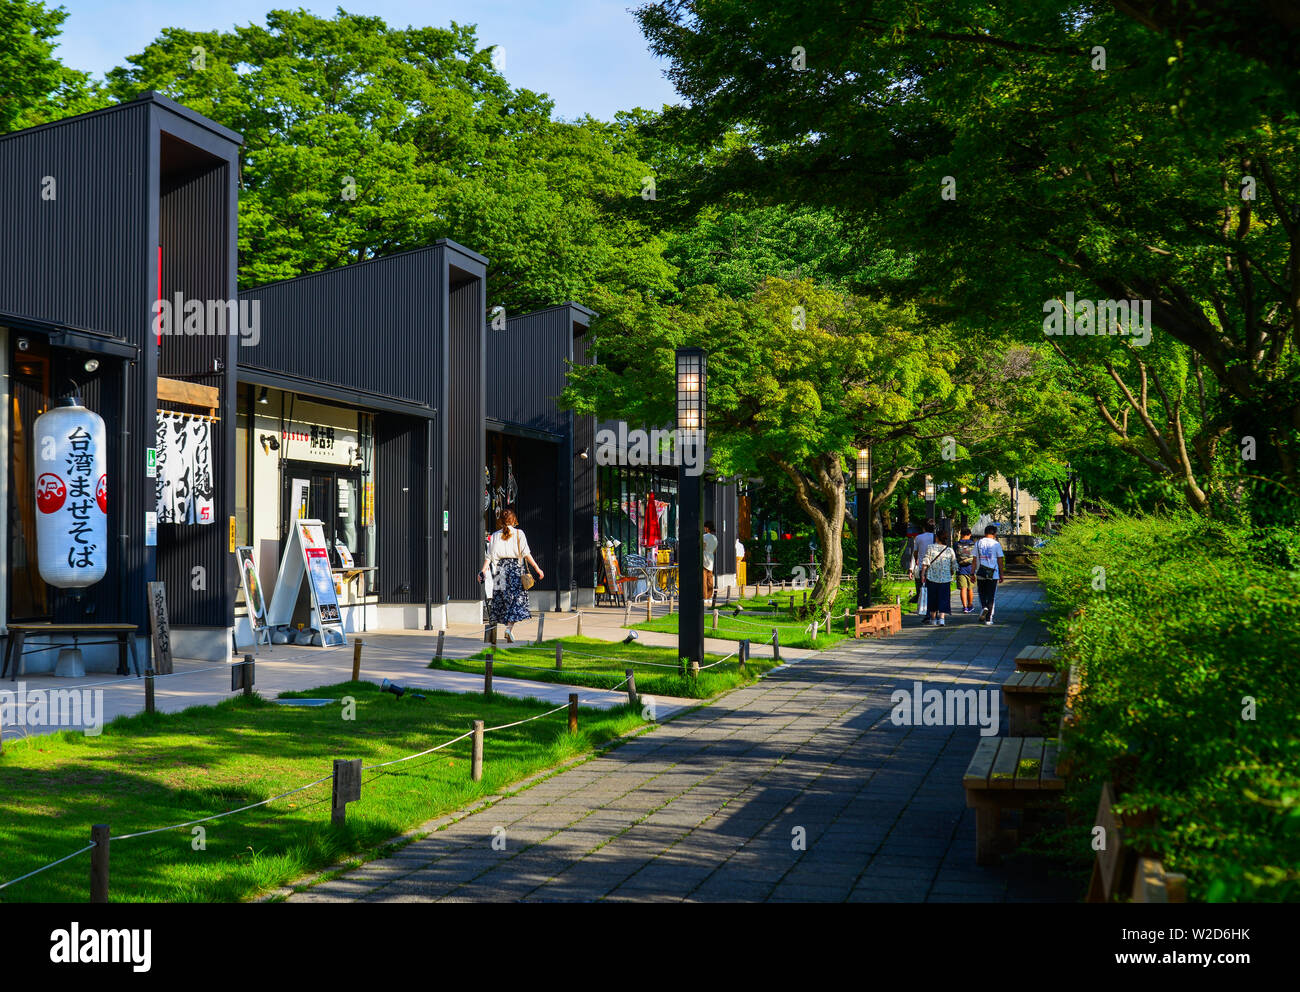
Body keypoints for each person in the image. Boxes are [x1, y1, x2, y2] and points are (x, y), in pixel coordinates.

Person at [478, 509, 543, 642]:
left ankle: (493, 634)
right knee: (515, 601)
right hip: (514, 570)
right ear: (514, 520)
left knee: (500, 601)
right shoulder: (519, 534)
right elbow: (526, 554)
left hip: (499, 571)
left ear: (500, 521)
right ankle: (508, 629)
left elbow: (489, 557)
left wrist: (483, 571)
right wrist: (537, 568)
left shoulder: (495, 535)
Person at [919, 527, 958, 626]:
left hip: (932, 577)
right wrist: (951, 573)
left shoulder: (930, 548)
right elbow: (954, 565)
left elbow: (925, 562)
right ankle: (942, 619)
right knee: (944, 598)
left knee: (933, 598)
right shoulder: (949, 550)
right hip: (945, 578)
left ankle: (933, 619)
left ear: (937, 538)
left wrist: (923, 574)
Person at [975, 524, 1006, 626]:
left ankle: (984, 606)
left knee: (982, 593)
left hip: (981, 572)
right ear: (994, 534)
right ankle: (988, 619)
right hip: (993, 573)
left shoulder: (978, 543)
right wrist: (1002, 574)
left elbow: (974, 559)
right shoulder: (996, 544)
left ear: (985, 533)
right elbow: (1000, 560)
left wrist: (971, 573)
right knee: (991, 596)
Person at [907, 520, 936, 612]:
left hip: (922, 567)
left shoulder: (918, 538)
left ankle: (923, 608)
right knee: (933, 589)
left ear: (924, 528)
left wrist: (916, 560)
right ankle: (933, 609)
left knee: (921, 589)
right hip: (934, 566)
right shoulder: (936, 537)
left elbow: (915, 552)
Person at [954, 526, 977, 614]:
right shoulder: (973, 544)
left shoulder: (956, 544)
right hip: (971, 569)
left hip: (960, 569)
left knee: (963, 588)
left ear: (961, 534)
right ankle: (970, 605)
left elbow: (954, 556)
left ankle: (964, 607)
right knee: (970, 588)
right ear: (969, 534)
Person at [702, 520, 719, 600]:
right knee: (710, 578)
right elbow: (715, 550)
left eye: (705, 527)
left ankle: (704, 596)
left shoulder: (705, 537)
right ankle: (709, 596)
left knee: (704, 579)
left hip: (704, 557)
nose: (704, 529)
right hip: (711, 558)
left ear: (707, 528)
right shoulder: (715, 538)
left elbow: (703, 546)